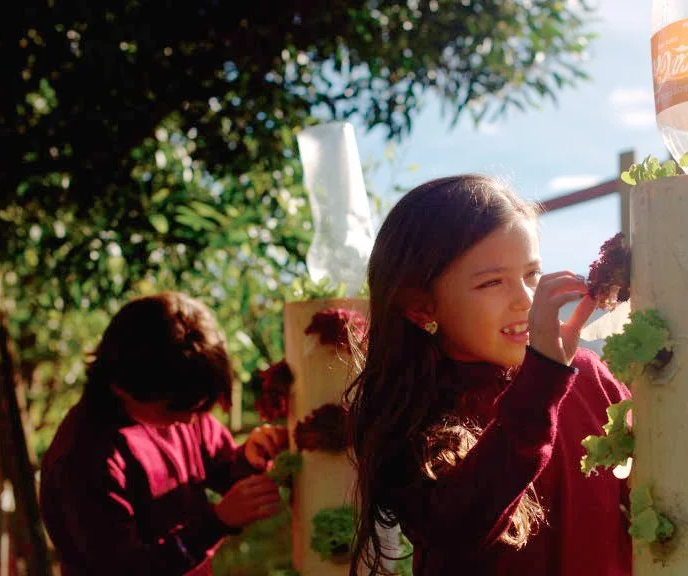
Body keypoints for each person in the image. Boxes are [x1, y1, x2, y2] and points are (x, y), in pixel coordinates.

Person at [346, 175, 633, 575]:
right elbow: (454, 528)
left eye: (532, 275)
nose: (524, 300)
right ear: (420, 305)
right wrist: (542, 385)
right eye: (491, 282)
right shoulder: (413, 410)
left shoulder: (587, 375)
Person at [39, 292, 289, 575]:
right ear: (122, 386)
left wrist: (250, 457)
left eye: (200, 408)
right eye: (178, 410)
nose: (191, 421)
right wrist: (216, 522)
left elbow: (223, 467)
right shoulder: (83, 461)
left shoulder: (180, 404)